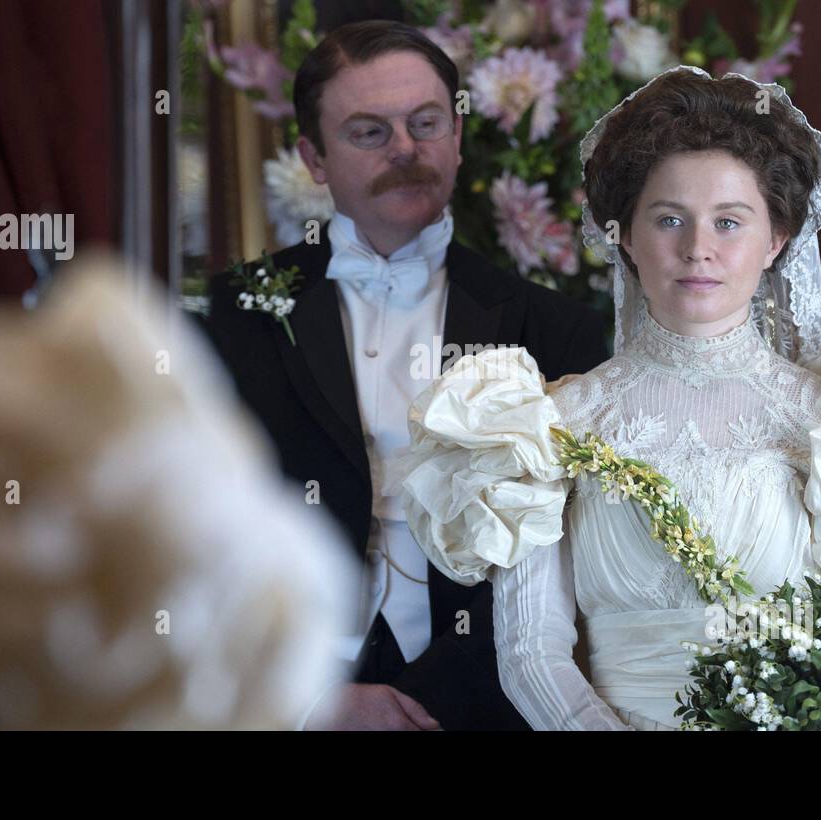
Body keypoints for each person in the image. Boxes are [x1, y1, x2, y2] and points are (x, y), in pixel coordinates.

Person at [396, 66, 821, 730]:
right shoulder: (538, 431)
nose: (698, 249)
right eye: (670, 219)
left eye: (729, 222)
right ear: (627, 237)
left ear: (775, 240)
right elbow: (531, 651)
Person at [203, 20, 609, 730]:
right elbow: (193, 529)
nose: (405, 150)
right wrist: (302, 700)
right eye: (368, 132)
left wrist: (438, 699)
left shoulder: (553, 328)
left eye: (425, 123)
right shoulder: (228, 321)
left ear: (456, 134)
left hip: (485, 700)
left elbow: (579, 551)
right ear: (314, 156)